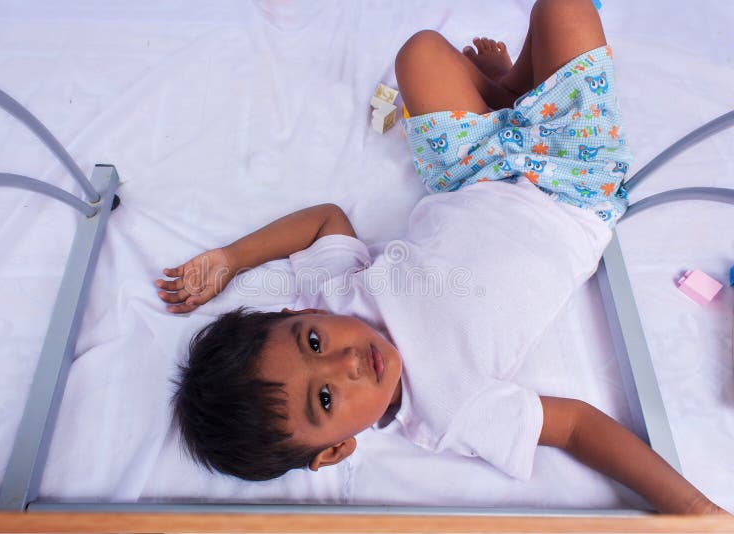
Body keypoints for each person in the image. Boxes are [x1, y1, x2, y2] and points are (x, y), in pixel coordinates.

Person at [157, 0, 726, 514]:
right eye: (325, 398)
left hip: (472, 174)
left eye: (312, 342)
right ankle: (512, 91)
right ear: (334, 450)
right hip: (572, 190)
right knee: (564, 7)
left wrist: (232, 258)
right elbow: (577, 428)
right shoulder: (449, 414)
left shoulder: (334, 297)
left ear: (293, 316)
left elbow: (326, 218)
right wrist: (692, 508)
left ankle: (507, 91)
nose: (345, 361)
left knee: (421, 52)